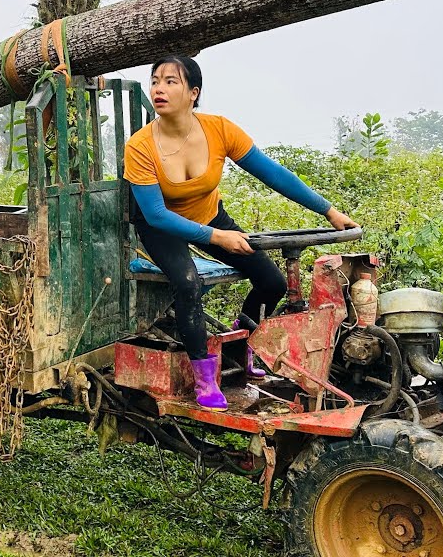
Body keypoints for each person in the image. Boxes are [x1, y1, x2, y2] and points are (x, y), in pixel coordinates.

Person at [124, 55, 358, 411]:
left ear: (193, 93)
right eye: (155, 80)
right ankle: (204, 377)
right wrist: (216, 238)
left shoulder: (219, 129)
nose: (159, 88)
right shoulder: (140, 145)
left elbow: (274, 174)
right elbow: (156, 215)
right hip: (162, 226)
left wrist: (328, 210)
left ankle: (243, 342)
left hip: (210, 214)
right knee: (188, 283)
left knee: (272, 283)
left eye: (171, 81)